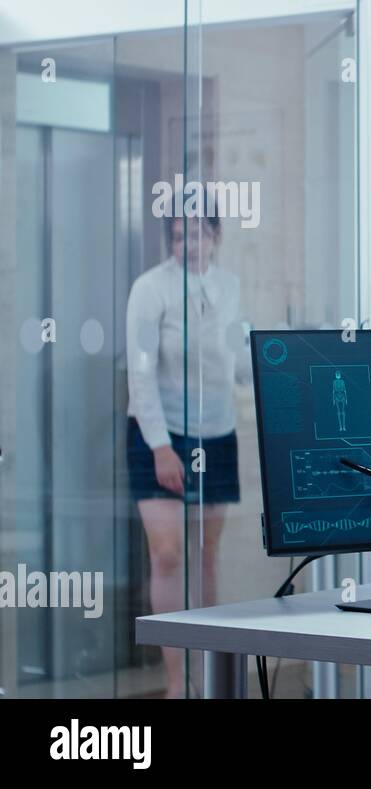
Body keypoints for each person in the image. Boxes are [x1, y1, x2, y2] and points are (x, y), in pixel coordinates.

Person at [126, 213, 248, 698]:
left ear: (215, 237)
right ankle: (178, 683)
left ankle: (209, 679)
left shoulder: (229, 286)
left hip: (215, 432)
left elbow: (234, 359)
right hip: (159, 433)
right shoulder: (149, 288)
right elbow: (140, 371)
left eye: (196, 233)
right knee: (168, 554)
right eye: (178, 235)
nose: (187, 243)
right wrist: (159, 445)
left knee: (207, 556)